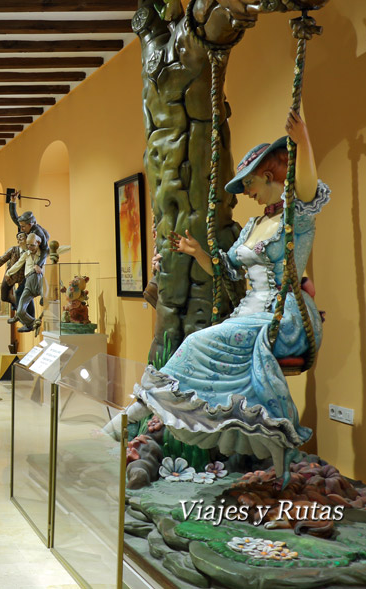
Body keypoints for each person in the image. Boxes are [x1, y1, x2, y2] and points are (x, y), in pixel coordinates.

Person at [121, 110, 327, 486]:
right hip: (247, 315)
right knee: (206, 346)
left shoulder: (296, 217)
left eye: (248, 183)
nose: (246, 192)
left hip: (282, 316)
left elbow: (309, 186)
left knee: (197, 341)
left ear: (269, 175)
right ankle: (152, 405)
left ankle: (144, 404)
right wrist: (198, 252)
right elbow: (228, 269)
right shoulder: (253, 225)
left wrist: (304, 142)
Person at [2, 233, 45, 332]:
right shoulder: (26, 254)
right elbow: (18, 264)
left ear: (38, 243)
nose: (29, 247)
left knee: (45, 295)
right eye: (28, 245)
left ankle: (43, 298)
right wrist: (8, 273)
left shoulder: (42, 254)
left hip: (39, 281)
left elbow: (55, 250)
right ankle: (32, 323)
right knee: (20, 311)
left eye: (32, 245)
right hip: (28, 284)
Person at [0, 232, 30, 319]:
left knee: (23, 298)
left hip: (23, 278)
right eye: (18, 238)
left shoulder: (29, 252)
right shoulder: (13, 250)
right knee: (4, 297)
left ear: (27, 239)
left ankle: (23, 314)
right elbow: (2, 259)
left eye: (21, 237)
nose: (19, 239)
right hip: (10, 276)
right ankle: (15, 303)